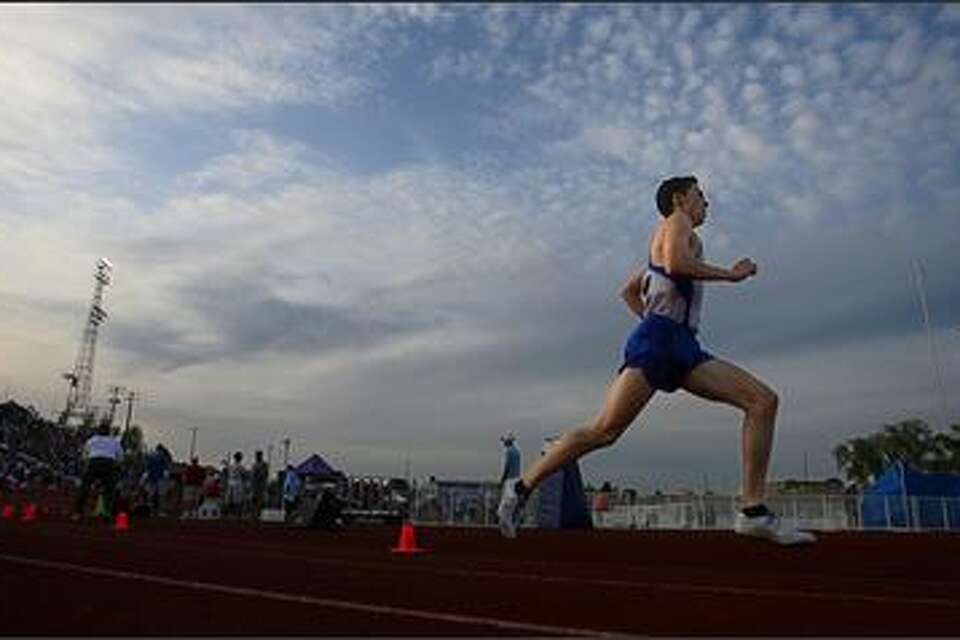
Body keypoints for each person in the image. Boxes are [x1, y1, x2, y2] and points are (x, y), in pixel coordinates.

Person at [497, 175, 815, 546]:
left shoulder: (675, 237)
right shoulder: (676, 223)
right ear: (680, 200)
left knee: (762, 401)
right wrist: (729, 275)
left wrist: (655, 319)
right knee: (604, 431)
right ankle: (518, 488)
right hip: (660, 342)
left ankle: (753, 511)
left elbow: (630, 290)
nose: (706, 202)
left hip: (681, 346)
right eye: (700, 195)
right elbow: (678, 265)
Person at [72, 423, 123, 520]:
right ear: (109, 432)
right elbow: (120, 457)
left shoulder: (92, 440)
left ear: (98, 431)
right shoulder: (114, 441)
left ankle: (77, 512)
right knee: (110, 489)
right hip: (109, 463)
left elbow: (84, 455)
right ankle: (107, 512)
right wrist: (116, 467)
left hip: (94, 461)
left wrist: (87, 465)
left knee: (84, 488)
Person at [226, 451, 247, 518]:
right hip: (237, 482)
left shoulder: (231, 466)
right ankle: (236, 513)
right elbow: (245, 475)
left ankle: (231, 513)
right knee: (237, 499)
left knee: (231, 499)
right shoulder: (240, 466)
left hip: (231, 482)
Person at [250, 450, 269, 521]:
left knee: (261, 501)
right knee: (254, 500)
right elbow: (252, 476)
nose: (257, 457)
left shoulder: (264, 465)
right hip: (255, 485)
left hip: (261, 485)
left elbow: (265, 474)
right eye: (256, 455)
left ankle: (259, 514)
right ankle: (254, 515)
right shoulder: (254, 465)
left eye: (258, 455)